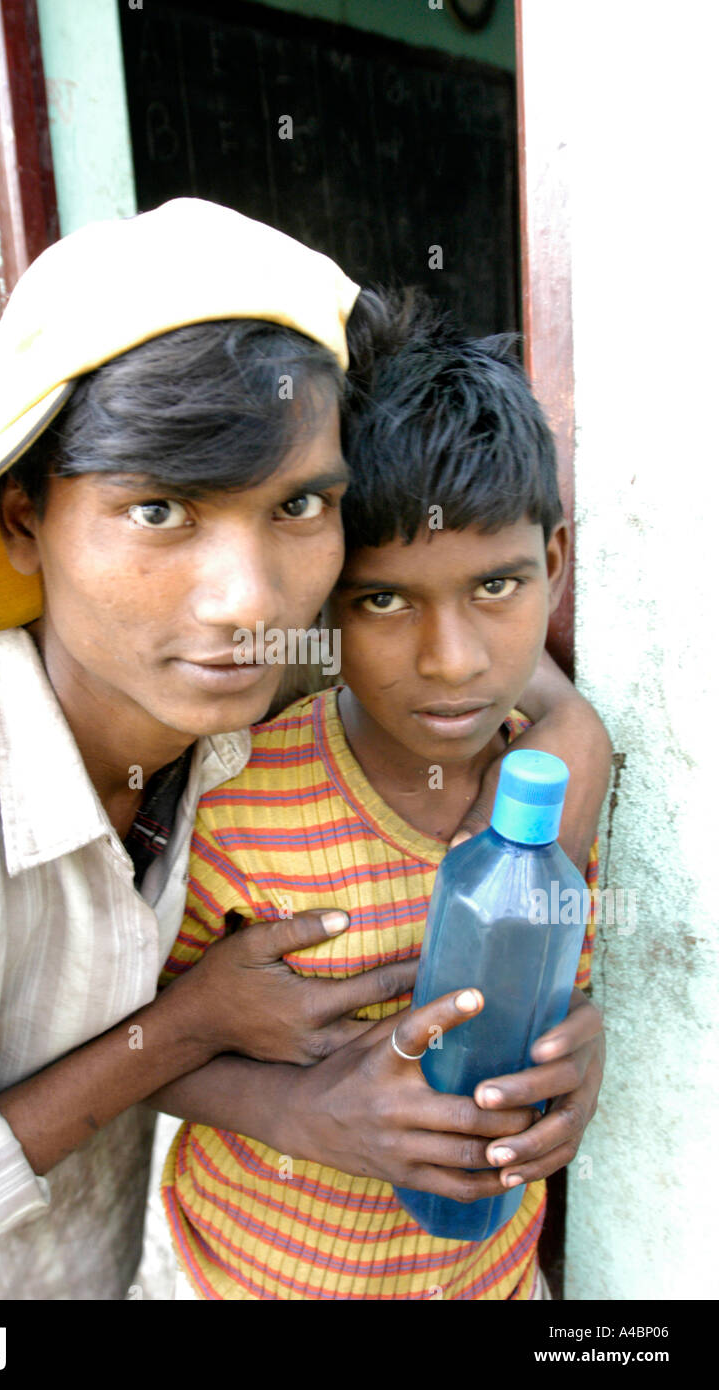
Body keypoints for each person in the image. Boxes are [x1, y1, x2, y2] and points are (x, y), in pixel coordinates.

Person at [0, 203, 608, 1301]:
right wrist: (194, 1034)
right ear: (23, 519)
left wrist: (575, 734)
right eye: (159, 510)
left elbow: (461, 637)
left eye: (300, 503)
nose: (247, 598)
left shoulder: (272, 654)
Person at [157, 293, 606, 1300]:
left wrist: (580, 1051)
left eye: (497, 587)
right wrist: (304, 1110)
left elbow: (558, 986)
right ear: (321, 594)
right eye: (386, 600)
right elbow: (148, 1045)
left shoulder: (555, 792)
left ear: (556, 565)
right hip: (263, 1277)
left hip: (485, 1273)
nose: (451, 663)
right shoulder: (237, 803)